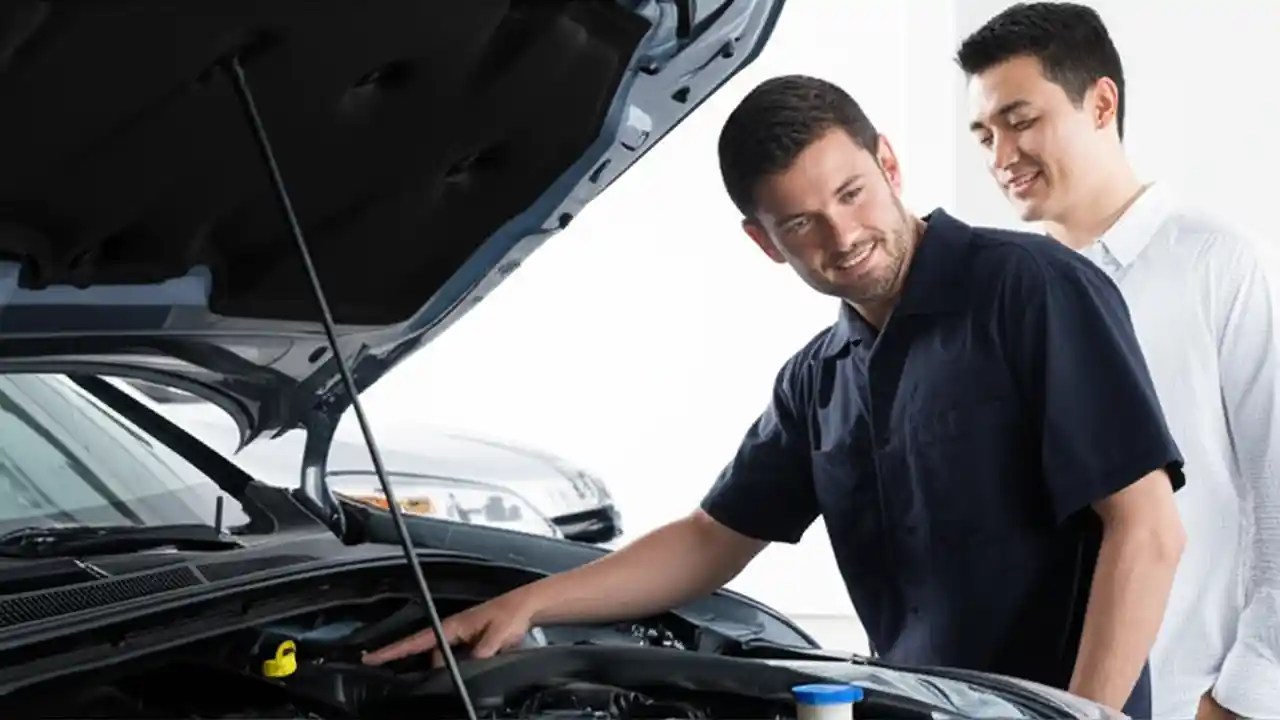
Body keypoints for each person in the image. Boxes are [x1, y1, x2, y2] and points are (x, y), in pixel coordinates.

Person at [362, 74, 1186, 716]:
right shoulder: (818, 378)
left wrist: (1085, 717)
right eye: (800, 224)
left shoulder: (1030, 289)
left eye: (852, 193)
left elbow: (1146, 530)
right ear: (764, 242)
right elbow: (711, 539)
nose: (842, 237)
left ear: (888, 163)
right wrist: (527, 604)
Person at [957, 4, 1280, 719]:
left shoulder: (1220, 264)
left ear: (1102, 103)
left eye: (1020, 119)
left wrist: (1244, 697)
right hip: (1031, 699)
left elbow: (1278, 493)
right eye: (984, 134)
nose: (999, 156)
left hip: (1184, 699)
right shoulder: (1002, 293)